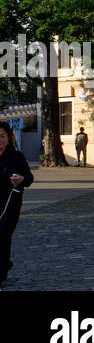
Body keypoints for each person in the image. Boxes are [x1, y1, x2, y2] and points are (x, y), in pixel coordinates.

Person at [0, 123, 34, 287]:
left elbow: (29, 178)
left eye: (2, 136)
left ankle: (2, 270)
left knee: (3, 236)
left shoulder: (17, 156)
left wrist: (20, 179)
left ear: (8, 138)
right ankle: (4, 264)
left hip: (10, 203)